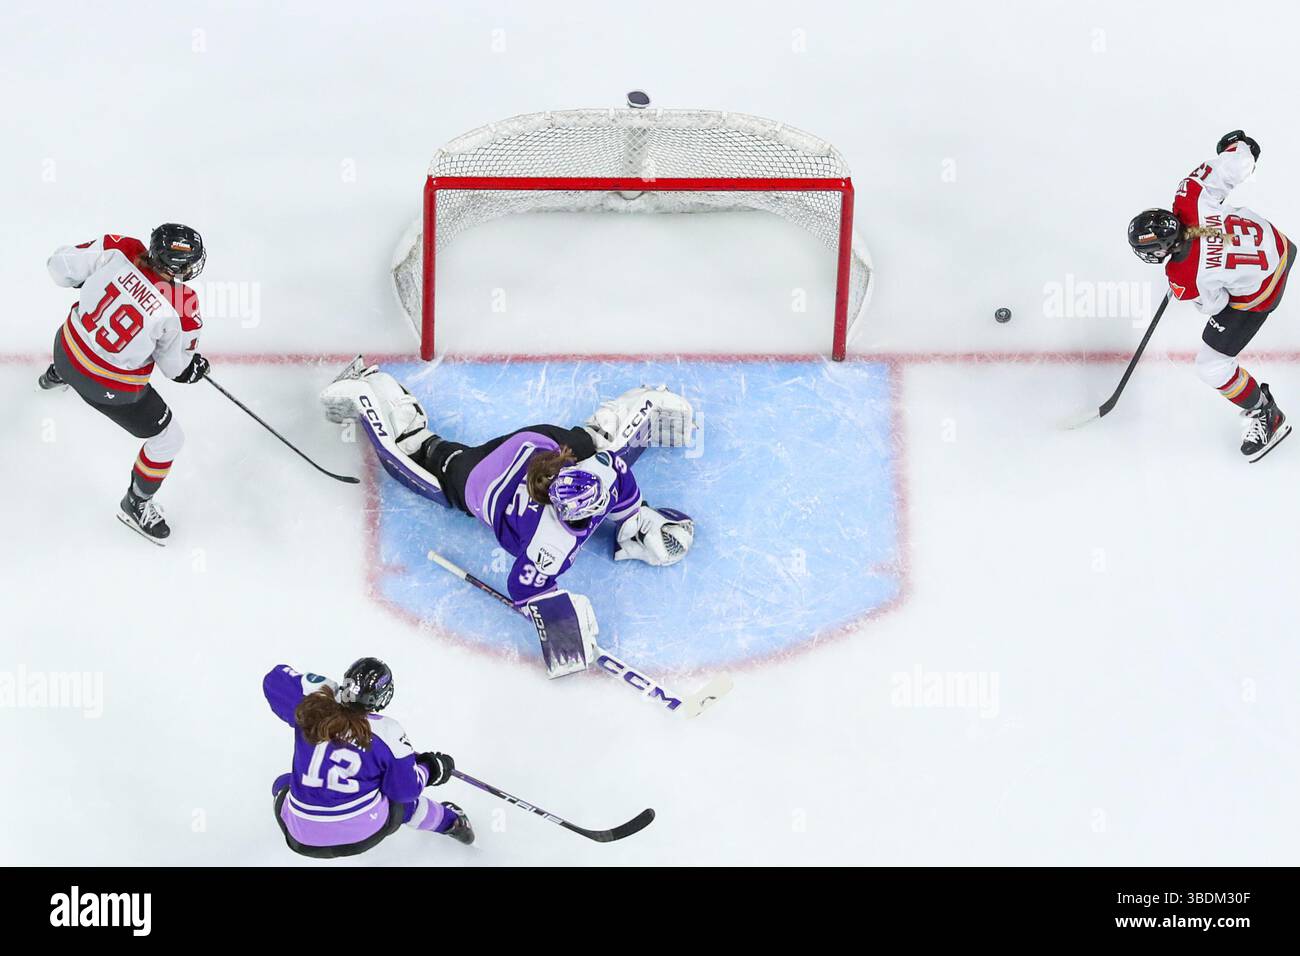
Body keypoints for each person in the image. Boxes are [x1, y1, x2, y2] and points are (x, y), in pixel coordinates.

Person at [320, 358, 696, 677]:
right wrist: (557, 614)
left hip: (541, 446)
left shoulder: (599, 473)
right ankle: (376, 393)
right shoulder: (547, 545)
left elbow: (617, 475)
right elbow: (523, 586)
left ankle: (384, 396)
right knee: (426, 463)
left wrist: (636, 517)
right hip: (481, 477)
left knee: (590, 445)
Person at [1127, 130, 1295, 461]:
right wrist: (1237, 145)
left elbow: (1216, 305)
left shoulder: (1183, 277)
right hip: (1277, 242)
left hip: (1265, 288)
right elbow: (1241, 160)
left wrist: (1193, 279)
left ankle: (1266, 414)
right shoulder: (1189, 195)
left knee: (1212, 365)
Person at [40, 224, 211, 541]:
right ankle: (136, 503)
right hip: (108, 390)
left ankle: (57, 374)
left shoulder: (122, 248)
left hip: (64, 350)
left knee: (83, 342)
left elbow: (58, 267)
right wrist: (192, 369)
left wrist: (88, 279)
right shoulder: (183, 304)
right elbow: (175, 369)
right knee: (169, 439)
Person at [263, 659, 473, 858]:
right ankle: (453, 824)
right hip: (361, 837)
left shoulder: (311, 707)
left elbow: (273, 679)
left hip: (300, 838)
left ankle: (311, 827)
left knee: (284, 783)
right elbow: (404, 791)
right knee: (398, 803)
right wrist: (431, 768)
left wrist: (325, 690)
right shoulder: (388, 732)